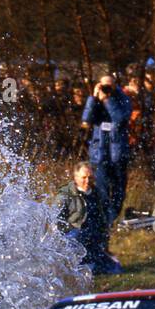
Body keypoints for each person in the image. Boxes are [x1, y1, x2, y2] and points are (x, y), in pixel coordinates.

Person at [81, 74, 131, 225]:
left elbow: (121, 118)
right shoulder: (96, 99)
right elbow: (86, 120)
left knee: (118, 190)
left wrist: (107, 100)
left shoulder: (123, 98)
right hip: (99, 152)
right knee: (101, 190)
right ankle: (104, 222)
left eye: (110, 85)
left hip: (118, 152)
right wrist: (93, 98)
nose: (107, 88)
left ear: (116, 85)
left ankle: (112, 218)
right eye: (104, 85)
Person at [57, 161, 119, 274]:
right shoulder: (66, 195)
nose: (87, 181)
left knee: (114, 268)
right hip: (74, 236)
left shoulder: (98, 194)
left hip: (94, 236)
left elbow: (103, 218)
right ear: (76, 177)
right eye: (83, 177)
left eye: (90, 177)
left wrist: (104, 233)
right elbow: (58, 220)